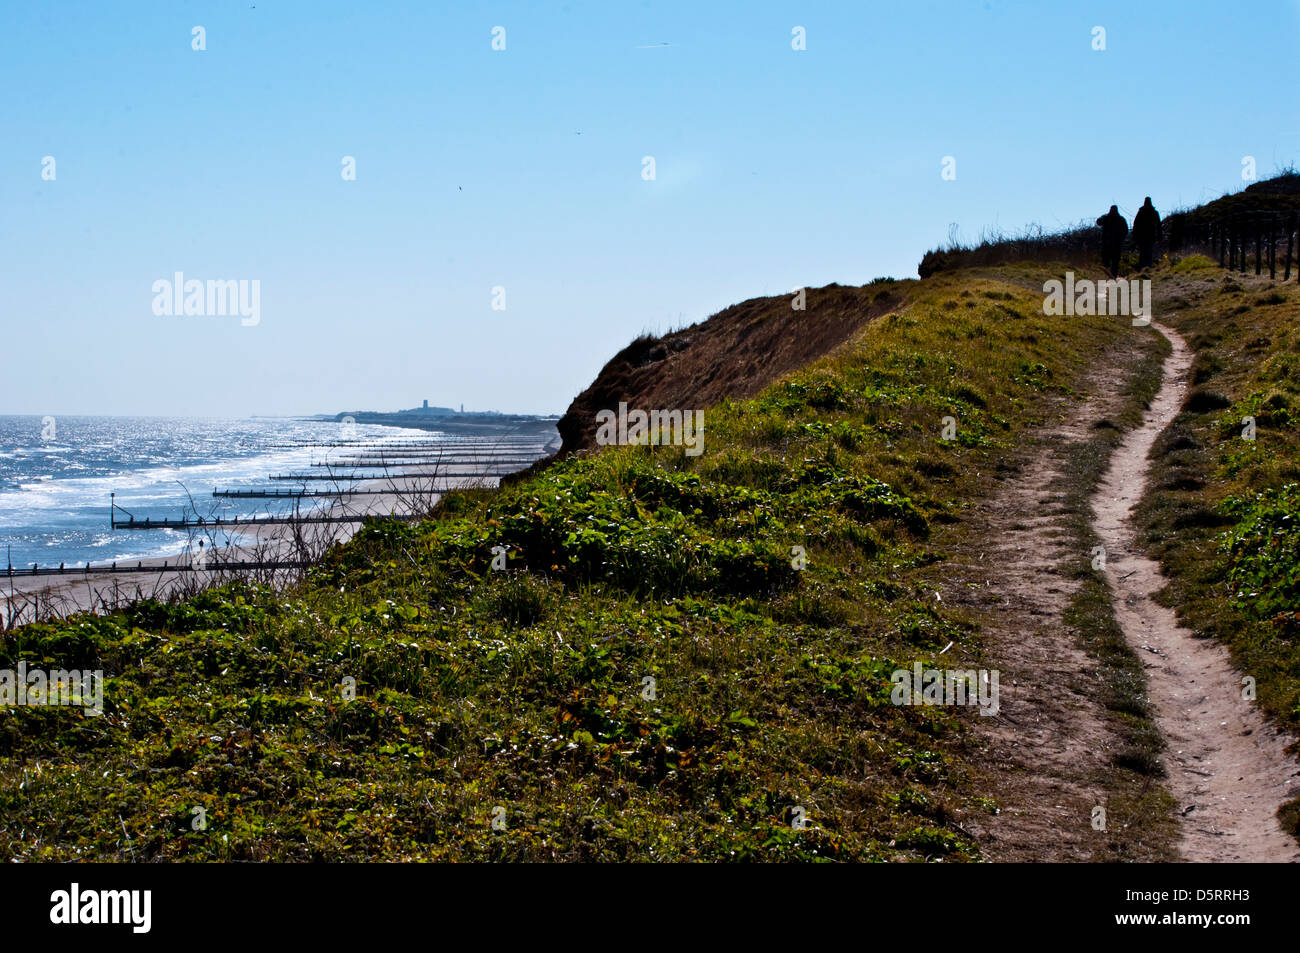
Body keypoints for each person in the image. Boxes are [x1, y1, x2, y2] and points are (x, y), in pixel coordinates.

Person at [1096, 205, 1128, 277]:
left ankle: (1110, 276)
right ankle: (1112, 276)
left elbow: (1098, 222)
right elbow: (1125, 231)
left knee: (1109, 261)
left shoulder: (1107, 218)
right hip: (1114, 244)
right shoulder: (1120, 219)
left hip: (1109, 243)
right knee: (1113, 262)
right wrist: (1121, 239)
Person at [1132, 197, 1162, 269]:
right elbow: (1158, 225)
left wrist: (1135, 235)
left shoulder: (1141, 212)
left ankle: (1144, 268)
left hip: (1144, 236)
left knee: (1144, 252)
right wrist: (1159, 236)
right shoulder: (1153, 212)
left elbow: (1135, 224)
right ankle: (1147, 267)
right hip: (1148, 236)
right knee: (1147, 252)